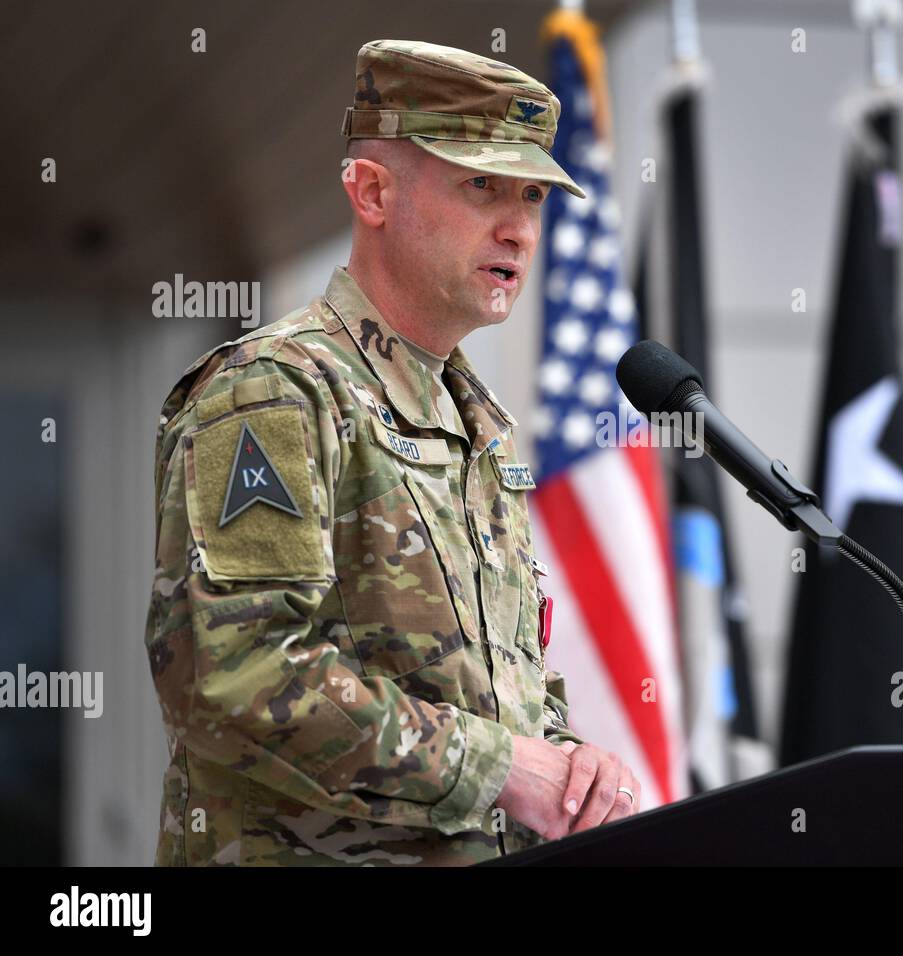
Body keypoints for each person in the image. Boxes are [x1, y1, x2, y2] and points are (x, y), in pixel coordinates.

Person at [144, 39, 640, 866]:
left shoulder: (476, 421)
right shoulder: (276, 393)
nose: (518, 227)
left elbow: (488, 692)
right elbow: (235, 676)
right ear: (373, 193)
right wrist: (502, 768)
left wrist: (566, 757)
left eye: (533, 196)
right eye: (481, 185)